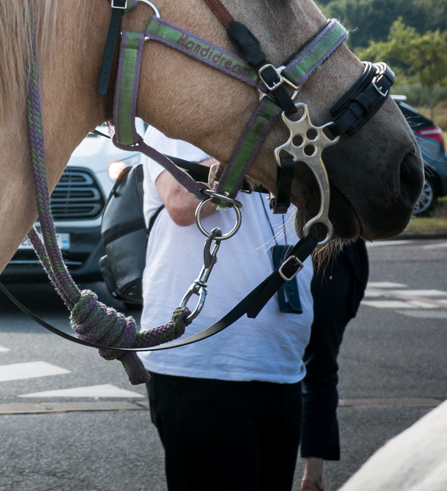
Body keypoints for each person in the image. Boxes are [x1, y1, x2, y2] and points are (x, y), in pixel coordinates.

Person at [140, 125, 314, 491]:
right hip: (203, 367)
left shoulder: (292, 127)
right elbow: (182, 203)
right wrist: (257, 138)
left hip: (281, 367)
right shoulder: (174, 123)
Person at [298, 240, 368, 491]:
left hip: (288, 256)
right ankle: (313, 474)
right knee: (320, 372)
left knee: (273, 371)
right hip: (335, 257)